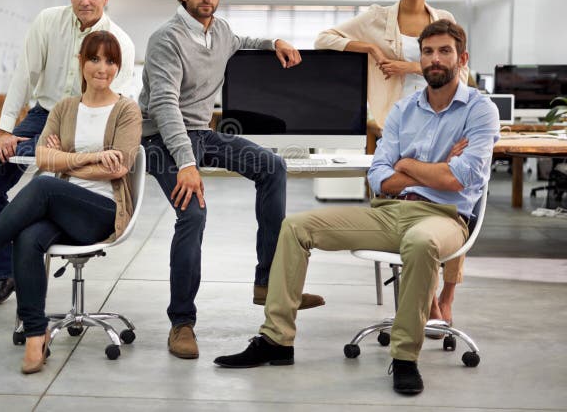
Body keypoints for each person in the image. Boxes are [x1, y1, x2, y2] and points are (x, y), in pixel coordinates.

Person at [214, 20, 499, 396]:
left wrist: (408, 166)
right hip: (388, 210)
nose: (434, 59)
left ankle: (404, 358)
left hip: (445, 217)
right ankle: (276, 341)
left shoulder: (480, 111)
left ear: (461, 59)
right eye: (428, 51)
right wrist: (432, 168)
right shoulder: (402, 110)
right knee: (296, 227)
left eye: (444, 51)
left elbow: (459, 180)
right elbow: (379, 177)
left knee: (420, 243)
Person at [139, 0, 324, 361]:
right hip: (158, 139)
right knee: (193, 214)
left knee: (272, 167)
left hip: (203, 133)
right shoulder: (165, 39)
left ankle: (267, 283)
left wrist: (275, 41)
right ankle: (181, 322)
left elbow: (242, 42)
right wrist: (186, 164)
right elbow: (165, 105)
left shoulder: (219, 31)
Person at [0, 31, 142, 374]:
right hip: (62, 207)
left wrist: (67, 158)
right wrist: (86, 159)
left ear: (118, 67)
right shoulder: (65, 107)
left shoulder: (127, 111)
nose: (102, 68)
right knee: (28, 238)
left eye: (110, 60)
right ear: (81, 63)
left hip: (102, 212)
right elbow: (43, 156)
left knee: (43, 187)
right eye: (94, 59)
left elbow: (119, 166)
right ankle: (34, 335)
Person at [314, 0, 466, 329]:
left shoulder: (444, 18)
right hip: (396, 128)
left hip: (445, 125)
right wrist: (366, 47)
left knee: (452, 207)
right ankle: (425, 298)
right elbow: (324, 39)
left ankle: (445, 295)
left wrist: (411, 67)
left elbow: (460, 74)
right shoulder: (377, 17)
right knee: (405, 213)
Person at [0, 0, 135, 307]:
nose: (85, 1)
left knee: (42, 168)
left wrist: (59, 144)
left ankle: (31, 148)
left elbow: (108, 103)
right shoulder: (48, 21)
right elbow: (25, 73)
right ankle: (5, 273)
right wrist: (4, 131)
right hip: (43, 111)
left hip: (84, 118)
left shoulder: (120, 42)